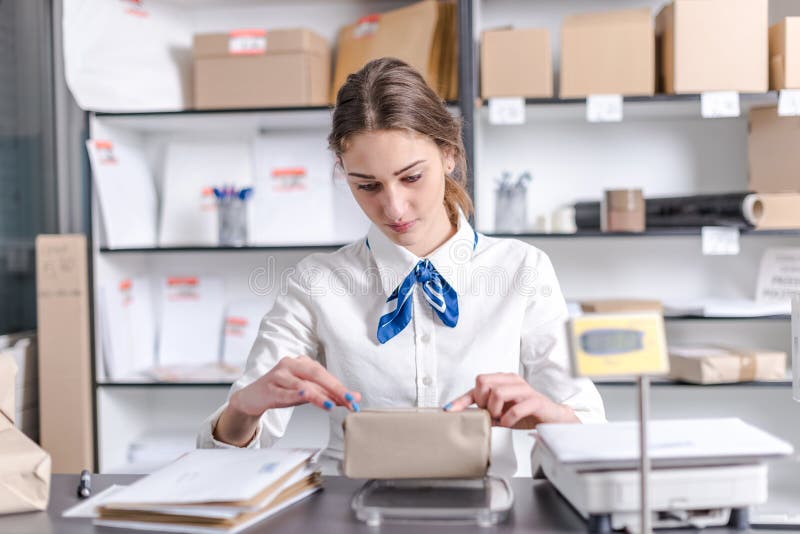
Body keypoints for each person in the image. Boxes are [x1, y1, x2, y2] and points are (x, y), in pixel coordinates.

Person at [198, 57, 605, 476]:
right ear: (343, 173)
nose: (393, 208)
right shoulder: (317, 280)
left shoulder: (523, 268)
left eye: (411, 178)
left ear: (449, 154)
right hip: (350, 510)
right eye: (367, 186)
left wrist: (549, 416)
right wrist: (243, 409)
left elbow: (591, 430)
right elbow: (219, 462)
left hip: (486, 508)